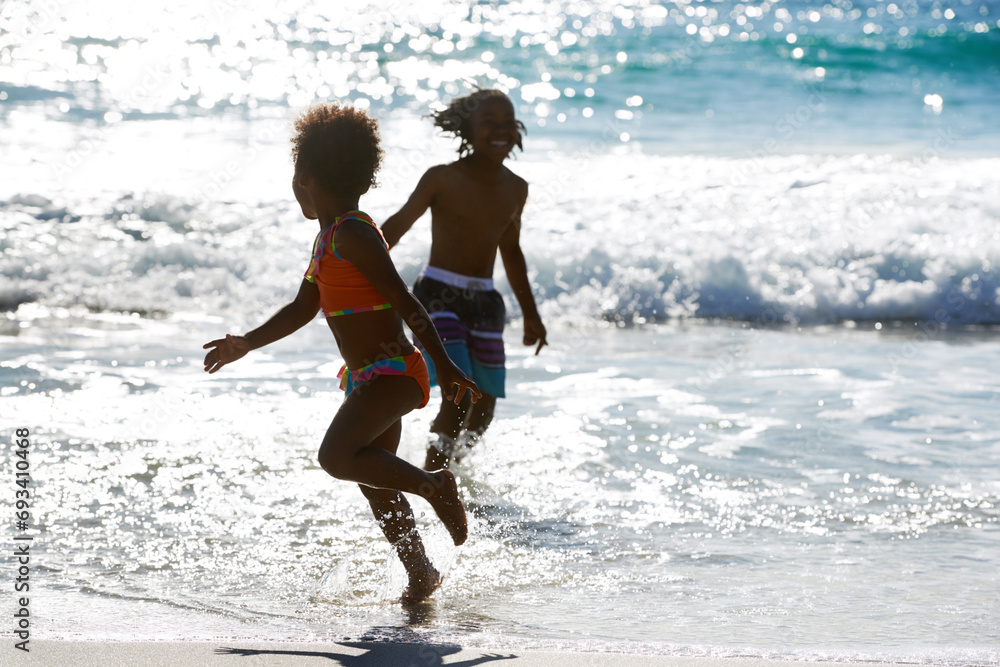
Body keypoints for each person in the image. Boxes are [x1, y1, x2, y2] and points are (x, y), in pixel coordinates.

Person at [202, 102, 480, 606]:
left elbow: (403, 298)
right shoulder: (327, 239)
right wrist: (247, 342)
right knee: (373, 480)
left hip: (394, 372)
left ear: (304, 176)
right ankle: (422, 573)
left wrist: (443, 364)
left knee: (336, 456)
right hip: (367, 378)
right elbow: (302, 308)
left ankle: (436, 485)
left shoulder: (353, 234)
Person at [381, 88, 547, 470]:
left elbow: (511, 251)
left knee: (485, 405)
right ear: (467, 130)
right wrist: (358, 264)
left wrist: (532, 315)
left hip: (486, 304)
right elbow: (397, 226)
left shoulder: (516, 188)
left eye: (508, 122)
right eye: (488, 122)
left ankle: (451, 467)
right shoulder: (442, 178)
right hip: (438, 296)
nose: (500, 130)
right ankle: (431, 476)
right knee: (460, 394)